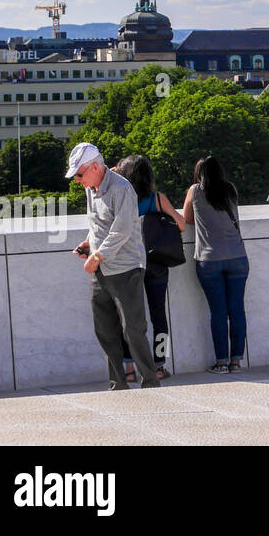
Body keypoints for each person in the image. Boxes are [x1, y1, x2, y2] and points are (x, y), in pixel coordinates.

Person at [67, 142, 161, 390]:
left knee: (133, 329)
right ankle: (117, 384)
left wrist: (97, 256)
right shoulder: (91, 188)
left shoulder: (121, 188)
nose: (77, 181)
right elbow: (98, 224)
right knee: (105, 330)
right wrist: (88, 244)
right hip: (101, 270)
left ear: (95, 167)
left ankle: (150, 382)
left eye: (79, 174)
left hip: (125, 269)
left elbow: (122, 229)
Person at [115, 155, 184, 384]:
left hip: (128, 263)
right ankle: (159, 364)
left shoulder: (120, 197)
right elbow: (181, 224)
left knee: (129, 317)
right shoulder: (157, 199)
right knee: (159, 317)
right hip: (156, 264)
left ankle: (128, 367)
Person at [184, 156, 249, 374]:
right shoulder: (230, 190)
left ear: (199, 173)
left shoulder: (195, 191)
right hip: (237, 258)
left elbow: (187, 218)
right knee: (237, 309)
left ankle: (221, 362)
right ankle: (236, 362)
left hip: (209, 259)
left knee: (218, 312)